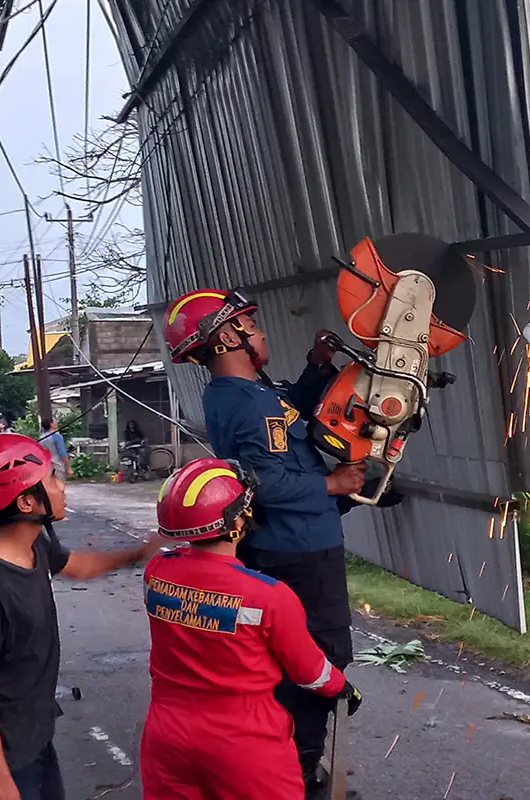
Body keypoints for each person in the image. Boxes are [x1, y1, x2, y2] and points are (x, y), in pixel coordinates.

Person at [163, 288, 371, 798]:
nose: (260, 332)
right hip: (298, 549)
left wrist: (317, 367)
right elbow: (264, 481)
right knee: (316, 659)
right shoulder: (242, 401)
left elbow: (288, 417)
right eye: (249, 326)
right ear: (228, 337)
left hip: (302, 537)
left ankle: (292, 765)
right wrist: (334, 485)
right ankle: (297, 778)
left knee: (293, 660)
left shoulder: (251, 391)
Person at [0, 433, 162, 800]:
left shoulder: (33, 539)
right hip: (0, 757)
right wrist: (3, 787)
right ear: (25, 501)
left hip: (31, 735)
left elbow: (74, 565)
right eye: (52, 479)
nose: (62, 485)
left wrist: (135, 554)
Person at [140, 457, 362, 799]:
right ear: (233, 523)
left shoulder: (157, 572)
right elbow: (308, 671)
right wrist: (340, 687)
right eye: (245, 507)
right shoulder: (268, 596)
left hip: (166, 734)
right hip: (244, 741)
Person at [37, 418, 72, 483]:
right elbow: (62, 452)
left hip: (45, 467)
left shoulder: (41, 437)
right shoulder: (57, 436)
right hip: (57, 466)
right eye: (54, 422)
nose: (56, 423)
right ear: (51, 424)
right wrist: (68, 467)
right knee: (59, 487)